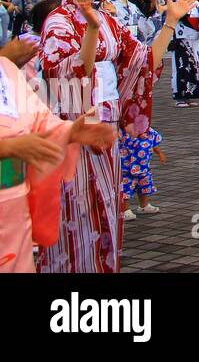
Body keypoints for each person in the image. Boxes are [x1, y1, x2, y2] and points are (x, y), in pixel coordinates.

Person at [36, 0, 196, 273]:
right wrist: (92, 30)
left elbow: (143, 62)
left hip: (106, 127)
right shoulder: (59, 20)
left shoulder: (107, 20)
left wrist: (169, 23)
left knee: (105, 208)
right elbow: (63, 72)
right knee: (75, 208)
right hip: (77, 127)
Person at [0, 45, 116, 274]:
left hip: (13, 215)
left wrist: (69, 131)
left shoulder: (5, 70)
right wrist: (7, 146)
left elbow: (39, 119)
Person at [169, 0, 199, 107]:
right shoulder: (174, 1)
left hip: (194, 38)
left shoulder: (196, 3)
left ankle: (190, 95)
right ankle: (180, 97)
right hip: (181, 38)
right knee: (181, 66)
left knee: (195, 67)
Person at [119, 125, 165, 220]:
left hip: (143, 167)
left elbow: (154, 144)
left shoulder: (148, 131)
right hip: (126, 169)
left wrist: (160, 153)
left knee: (144, 187)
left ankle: (144, 206)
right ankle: (125, 210)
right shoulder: (123, 132)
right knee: (126, 189)